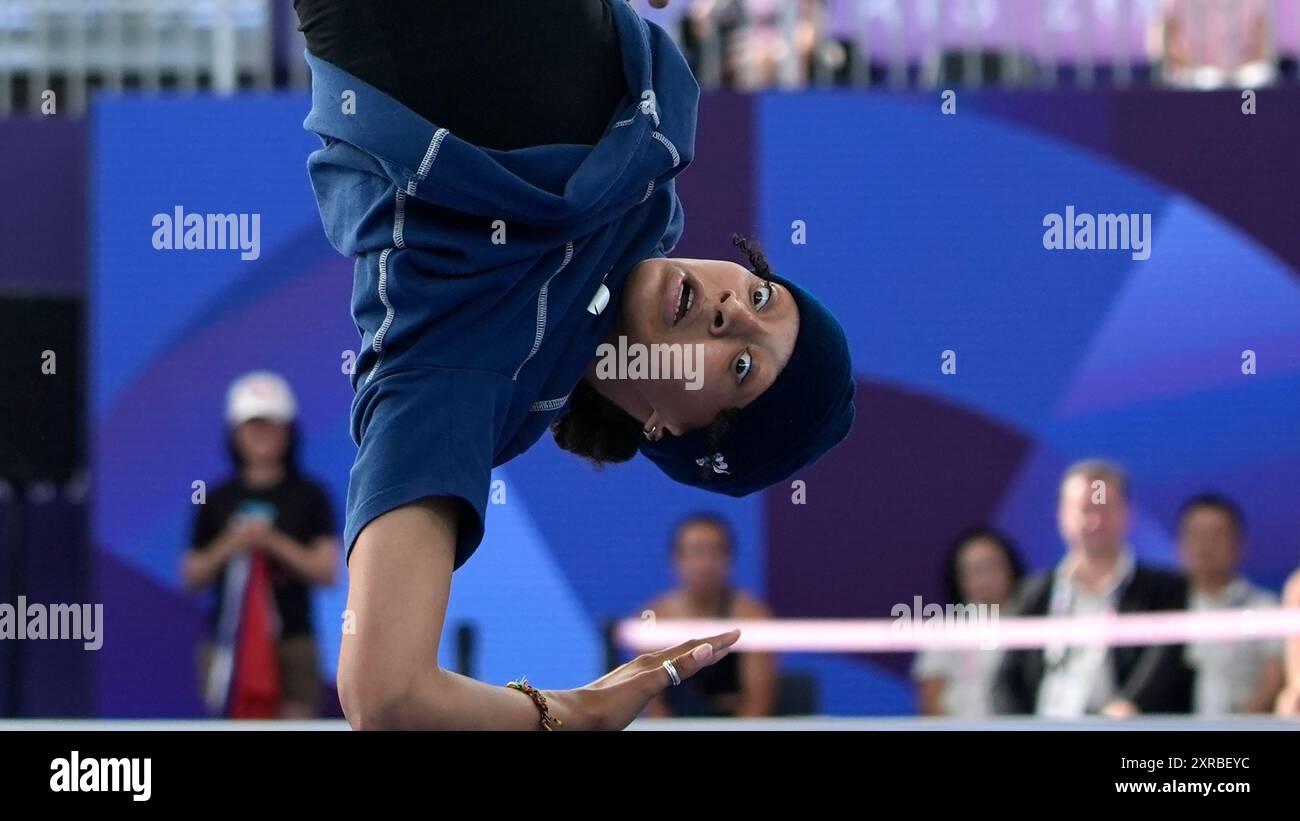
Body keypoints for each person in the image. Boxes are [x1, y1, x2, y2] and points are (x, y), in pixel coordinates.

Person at [294, 0, 855, 729]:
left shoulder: (470, 376)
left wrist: (574, 715)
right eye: (760, 293)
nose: (732, 313)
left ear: (666, 428)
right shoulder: (655, 160)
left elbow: (386, 692)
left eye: (741, 367)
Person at [182, 371, 340, 719]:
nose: (261, 436)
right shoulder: (216, 498)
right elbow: (192, 576)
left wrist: (271, 542)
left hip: (294, 638)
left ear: (287, 432)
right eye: (252, 427)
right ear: (235, 433)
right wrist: (234, 542)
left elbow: (327, 571)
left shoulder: (310, 495)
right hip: (228, 642)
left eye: (270, 426)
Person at [994, 459, 1195, 718]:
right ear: (1062, 515)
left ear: (1126, 514)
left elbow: (1165, 667)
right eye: (1085, 509)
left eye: (1105, 508)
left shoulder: (1166, 589)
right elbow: (1005, 679)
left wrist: (1123, 713)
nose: (1095, 521)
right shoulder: (1032, 592)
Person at [641, 513, 778, 717]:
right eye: (696, 552)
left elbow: (757, 706)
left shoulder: (753, 618)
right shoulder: (653, 619)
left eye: (715, 552)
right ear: (676, 559)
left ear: (729, 558)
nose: (705, 564)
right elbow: (651, 706)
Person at [1176, 494, 1283, 715]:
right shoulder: (1163, 608)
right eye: (1196, 534)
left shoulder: (1265, 608)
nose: (1205, 545)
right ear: (1180, 544)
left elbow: (1274, 679)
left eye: (1217, 535)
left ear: (1239, 544)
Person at [912, 526, 1023, 718]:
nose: (985, 578)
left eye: (991, 566)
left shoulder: (1033, 624)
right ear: (959, 578)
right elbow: (930, 697)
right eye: (974, 570)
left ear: (1010, 567)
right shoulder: (946, 627)